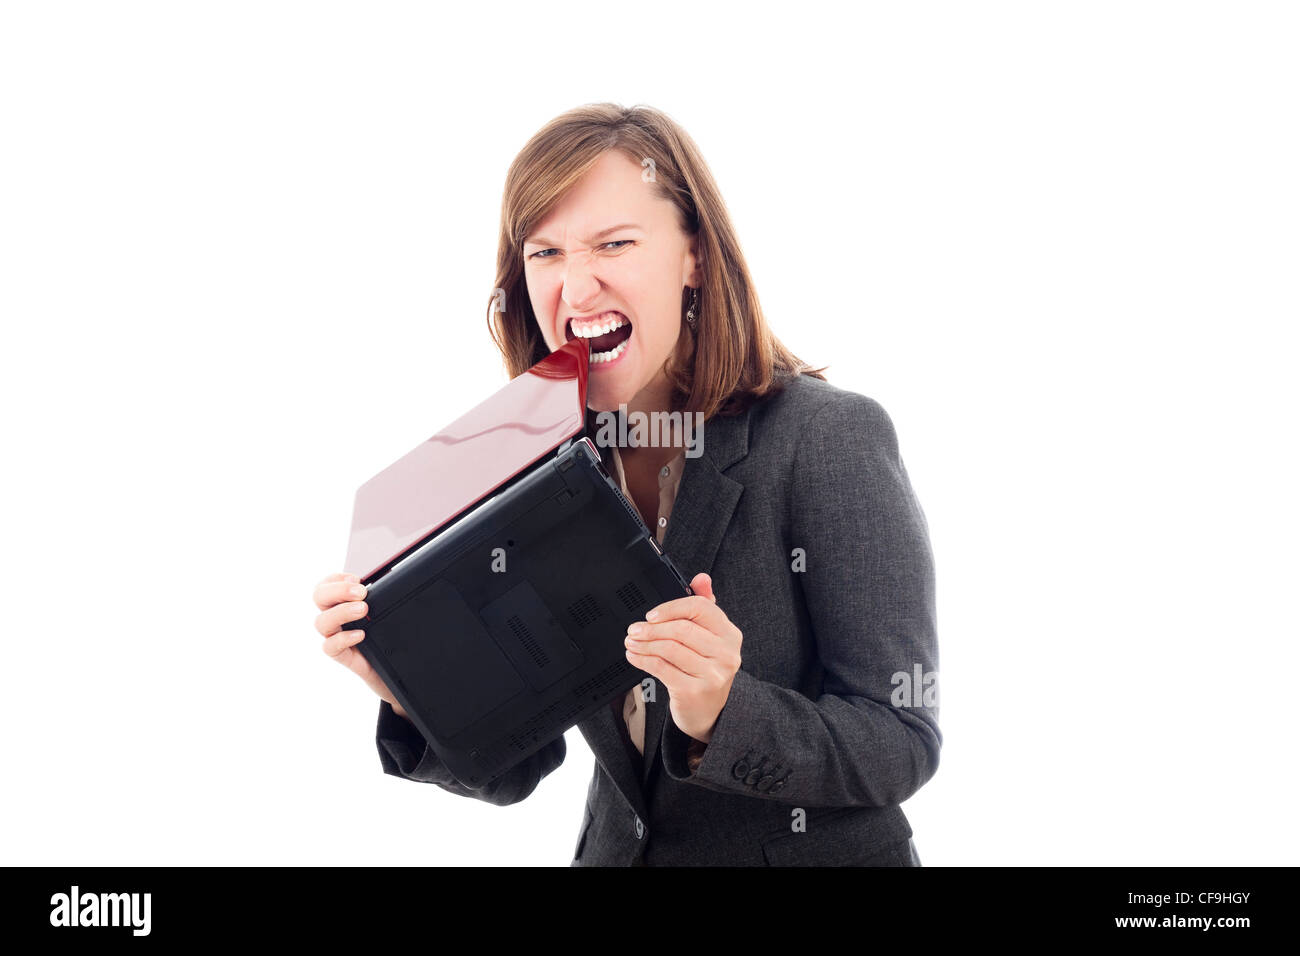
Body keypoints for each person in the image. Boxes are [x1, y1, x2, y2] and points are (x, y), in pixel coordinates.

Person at [312, 103, 940, 866]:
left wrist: (721, 710)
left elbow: (902, 739)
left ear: (695, 257)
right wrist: (415, 685)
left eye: (614, 243)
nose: (577, 289)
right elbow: (515, 766)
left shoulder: (824, 438)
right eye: (544, 253)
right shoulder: (536, 464)